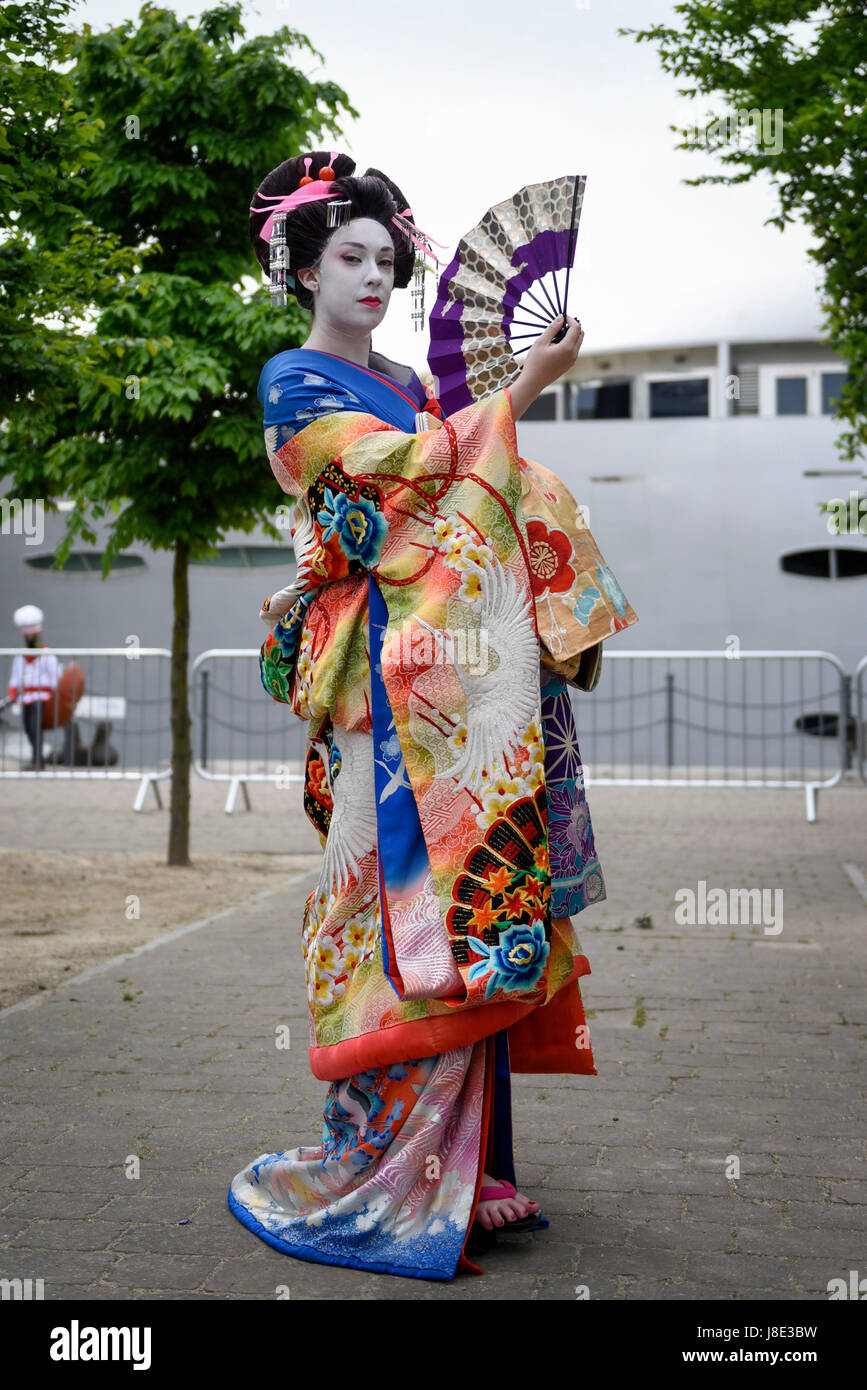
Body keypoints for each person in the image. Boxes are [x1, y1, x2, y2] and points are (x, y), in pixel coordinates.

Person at [227, 150, 606, 1282]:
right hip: (379, 668)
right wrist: (522, 392)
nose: (374, 277)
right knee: (382, 892)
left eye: (388, 260)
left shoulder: (416, 376)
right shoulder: (293, 380)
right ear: (301, 269)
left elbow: (476, 481)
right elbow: (402, 476)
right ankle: (385, 1165)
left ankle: (470, 1164)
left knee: (483, 877)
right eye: (349, 256)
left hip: (459, 669)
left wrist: (506, 413)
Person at [6, 605, 69, 770]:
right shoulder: (21, 656)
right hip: (26, 698)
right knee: (28, 728)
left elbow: (56, 677)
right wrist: (12, 692)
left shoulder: (47, 655)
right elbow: (16, 677)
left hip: (42, 698)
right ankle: (36, 758)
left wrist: (58, 699)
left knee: (35, 727)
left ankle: (38, 761)